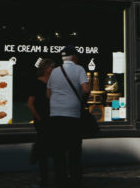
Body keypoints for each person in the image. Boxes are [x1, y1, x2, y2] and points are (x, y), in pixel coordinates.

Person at [48, 46, 89, 187]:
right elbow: (85, 89)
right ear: (74, 57)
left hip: (55, 114)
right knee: (74, 149)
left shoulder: (54, 72)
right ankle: (75, 179)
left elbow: (48, 94)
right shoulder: (79, 69)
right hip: (72, 114)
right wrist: (77, 98)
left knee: (58, 149)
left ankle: (61, 179)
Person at [27, 59, 56, 187]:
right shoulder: (37, 83)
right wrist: (38, 118)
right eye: (52, 67)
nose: (54, 69)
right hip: (42, 120)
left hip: (53, 118)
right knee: (44, 149)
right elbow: (30, 103)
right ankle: (44, 178)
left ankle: (56, 176)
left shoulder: (54, 83)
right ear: (45, 68)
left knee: (55, 148)